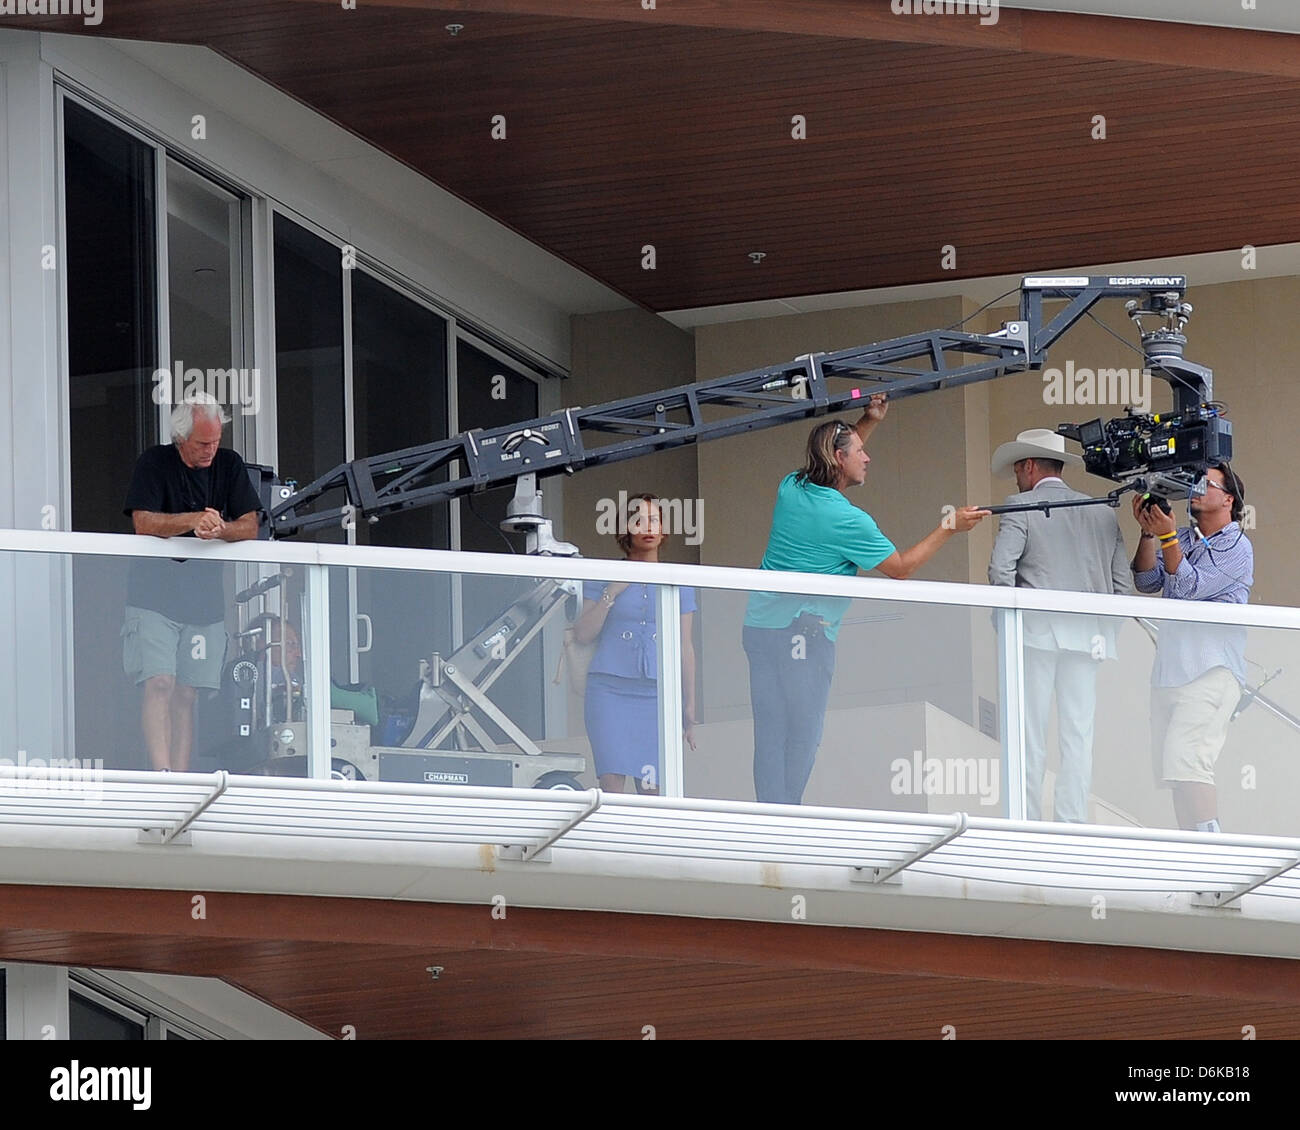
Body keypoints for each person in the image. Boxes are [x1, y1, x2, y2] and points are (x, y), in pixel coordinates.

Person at [743, 395, 989, 805]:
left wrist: (866, 421)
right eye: (861, 451)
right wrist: (950, 525)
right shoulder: (847, 520)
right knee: (803, 735)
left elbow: (837, 451)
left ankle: (771, 815)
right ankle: (785, 816)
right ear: (840, 459)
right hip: (803, 637)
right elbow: (901, 567)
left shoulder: (791, 486)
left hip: (759, 627)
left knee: (769, 732)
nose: (868, 457)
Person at [988, 428, 1130, 823]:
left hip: (1034, 635)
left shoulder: (1020, 505)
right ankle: (1072, 823)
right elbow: (1123, 588)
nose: (1017, 479)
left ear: (1029, 466)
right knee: (1078, 737)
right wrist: (1105, 633)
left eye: (1018, 470)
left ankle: (1027, 822)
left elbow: (1000, 571)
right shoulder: (1102, 511)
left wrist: (1007, 627)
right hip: (1089, 640)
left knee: (1030, 734)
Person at [123, 395, 262, 771]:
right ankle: (162, 775)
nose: (211, 450)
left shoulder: (229, 464)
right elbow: (143, 522)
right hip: (153, 598)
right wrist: (193, 520)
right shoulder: (154, 462)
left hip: (204, 605)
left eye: (215, 441)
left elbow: (251, 525)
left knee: (187, 694)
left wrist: (222, 528)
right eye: (203, 443)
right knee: (160, 684)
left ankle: (181, 781)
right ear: (181, 438)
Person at [1131, 462, 1253, 832]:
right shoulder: (1183, 536)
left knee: (1189, 762)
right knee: (1174, 772)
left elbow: (1186, 589)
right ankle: (1193, 860)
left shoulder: (1238, 545)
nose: (1196, 489)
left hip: (1210, 672)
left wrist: (1168, 538)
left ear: (1228, 498)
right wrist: (1149, 533)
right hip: (1170, 673)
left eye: (1206, 483)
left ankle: (1212, 860)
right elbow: (1146, 579)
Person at [574, 494, 697, 793]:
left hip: (658, 695)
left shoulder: (677, 580)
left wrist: (689, 704)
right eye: (638, 520)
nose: (647, 526)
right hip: (609, 690)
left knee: (653, 790)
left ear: (664, 529)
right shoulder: (604, 576)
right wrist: (611, 592)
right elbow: (583, 633)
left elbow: (685, 646)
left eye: (654, 519)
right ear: (624, 529)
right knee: (612, 784)